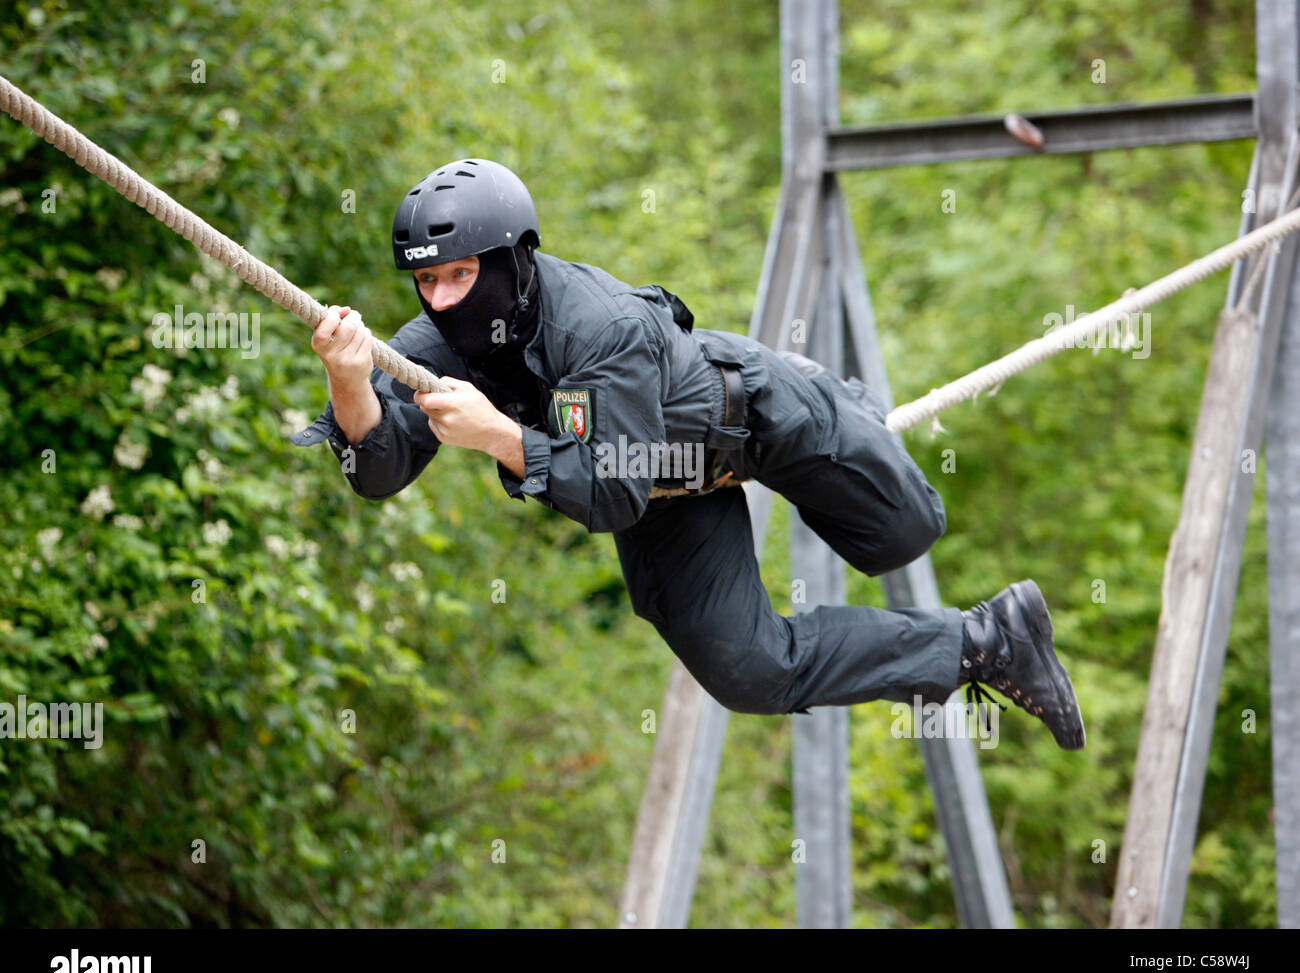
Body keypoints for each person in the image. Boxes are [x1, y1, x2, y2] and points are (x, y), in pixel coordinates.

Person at [291, 157, 1085, 750]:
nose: (442, 301)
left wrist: (499, 435)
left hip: (755, 419)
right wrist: (347, 379)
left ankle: (843, 403)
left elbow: (609, 488)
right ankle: (987, 640)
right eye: (427, 283)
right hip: (659, 491)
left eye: (461, 276)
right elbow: (380, 468)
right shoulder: (436, 340)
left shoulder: (601, 328)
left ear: (514, 261)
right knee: (749, 674)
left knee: (906, 533)